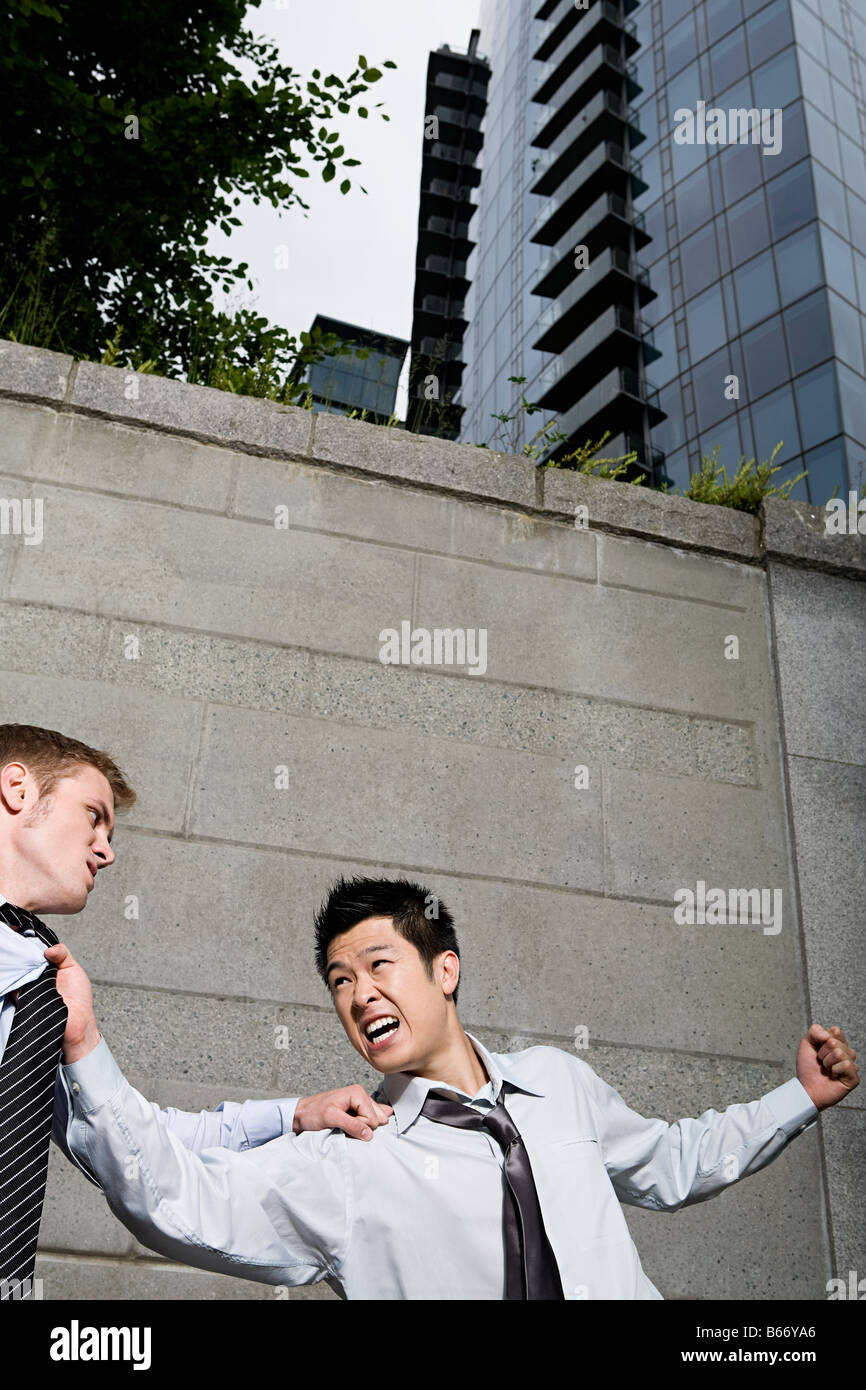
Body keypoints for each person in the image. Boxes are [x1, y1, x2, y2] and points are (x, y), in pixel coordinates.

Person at [58, 875, 859, 1300]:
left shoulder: (557, 1081)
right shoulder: (350, 1158)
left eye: (378, 966)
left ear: (446, 970)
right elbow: (179, 1202)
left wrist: (799, 1097)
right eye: (339, 981)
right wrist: (82, 1054)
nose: (359, 994)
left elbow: (674, 1162)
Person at [0, 725, 391, 1302]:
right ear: (17, 788)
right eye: (93, 815)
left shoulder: (46, 988)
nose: (107, 851)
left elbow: (142, 1138)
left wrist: (297, 1115)